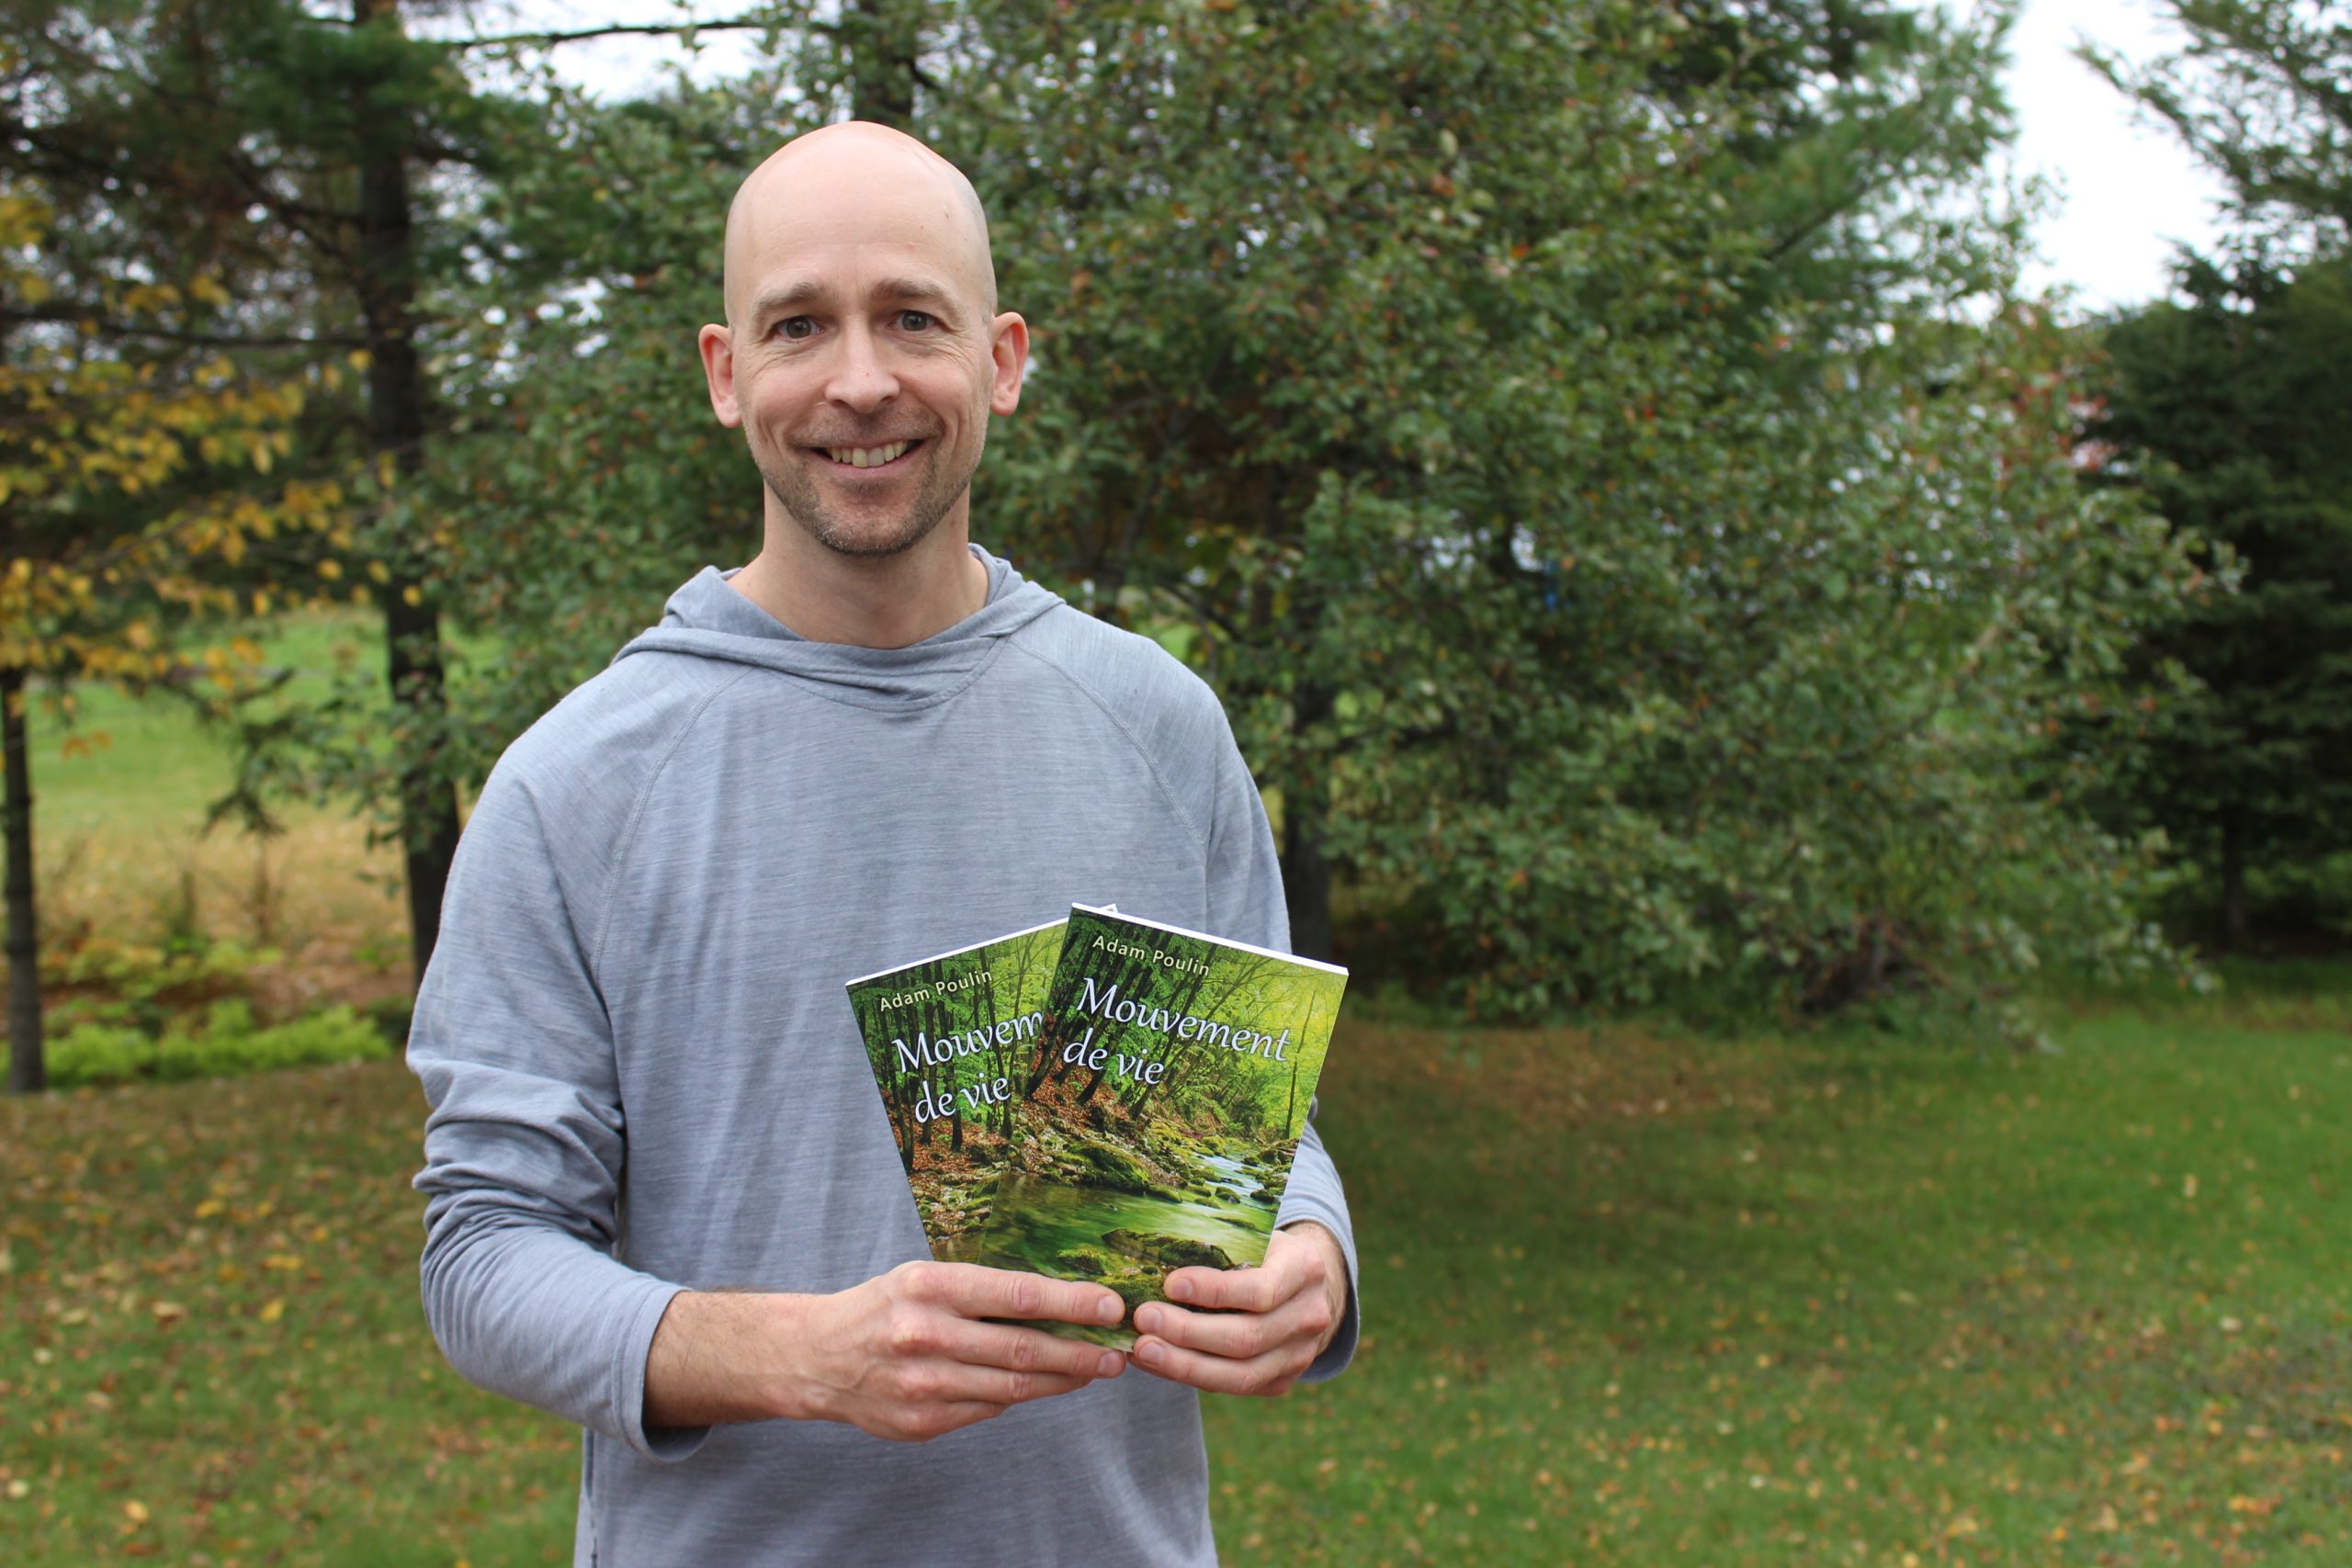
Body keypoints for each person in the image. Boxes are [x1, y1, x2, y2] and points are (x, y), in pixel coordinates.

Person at [408, 122, 1359, 1567]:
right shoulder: (576, 787)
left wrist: (1311, 1257)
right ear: (727, 373)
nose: (860, 381)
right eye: (800, 325)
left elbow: (1253, 1142)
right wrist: (801, 1357)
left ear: (1003, 360)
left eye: (914, 317)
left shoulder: (1157, 730)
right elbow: (483, 1256)